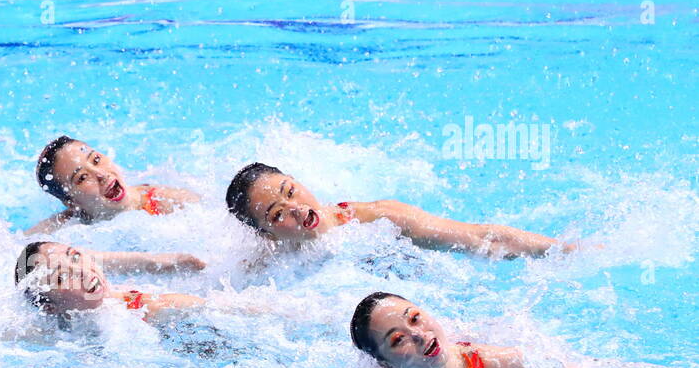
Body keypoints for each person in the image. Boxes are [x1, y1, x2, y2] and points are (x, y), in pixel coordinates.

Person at [349, 291, 699, 368]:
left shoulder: (486, 362)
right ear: (383, 360)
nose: (421, 335)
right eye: (399, 340)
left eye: (416, 318)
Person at [226, 162, 563, 259]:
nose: (297, 209)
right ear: (265, 233)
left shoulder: (376, 220)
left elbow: (477, 236)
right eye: (276, 214)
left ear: (296, 179)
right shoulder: (265, 268)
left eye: (290, 192)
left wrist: (562, 251)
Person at [15, 242, 264, 325]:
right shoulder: (48, 332)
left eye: (76, 257)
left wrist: (167, 261)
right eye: (62, 276)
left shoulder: (144, 308)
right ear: (49, 307)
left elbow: (224, 309)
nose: (81, 271)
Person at [27, 136, 200, 234]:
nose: (101, 174)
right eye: (82, 177)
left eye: (96, 160)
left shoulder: (169, 202)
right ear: (71, 202)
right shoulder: (66, 229)